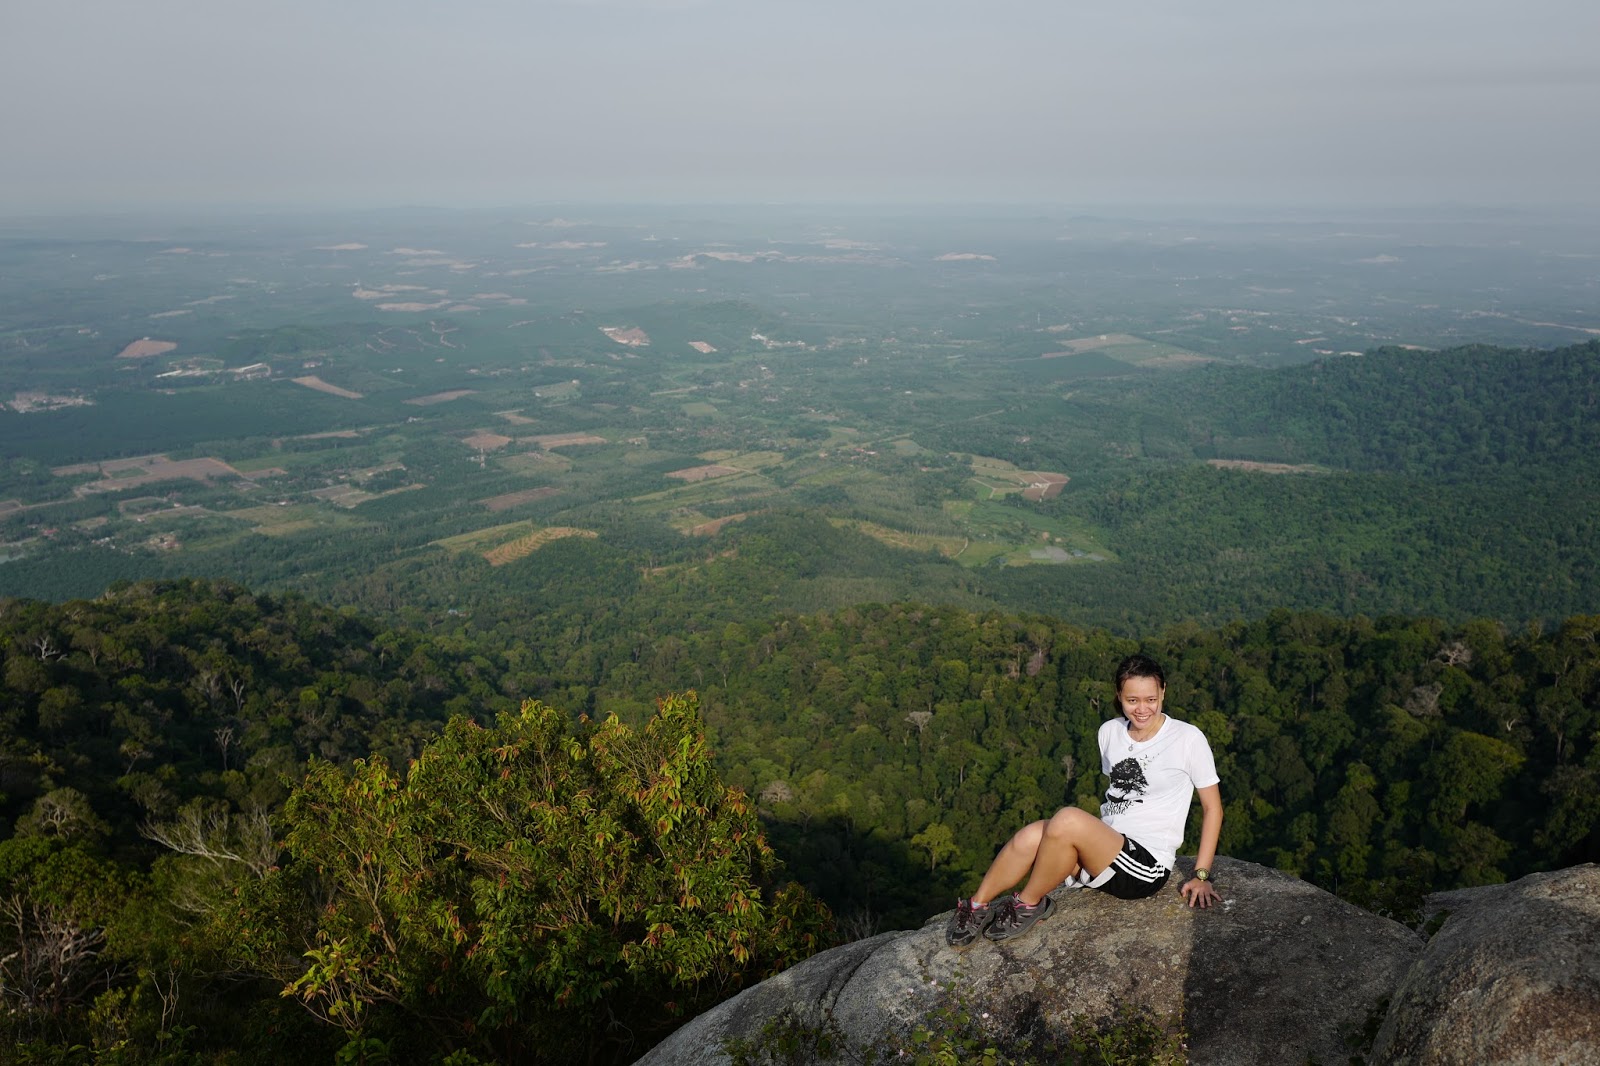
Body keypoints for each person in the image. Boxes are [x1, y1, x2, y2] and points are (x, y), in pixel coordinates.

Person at [945, 653, 1223, 946]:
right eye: (1132, 700)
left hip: (1144, 865)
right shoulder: (1109, 732)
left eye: (1151, 699)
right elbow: (1119, 795)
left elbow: (1213, 808)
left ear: (1163, 691)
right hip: (1105, 851)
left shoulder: (1187, 739)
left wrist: (1201, 874)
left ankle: (1028, 904)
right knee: (1032, 834)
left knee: (1066, 819)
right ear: (1119, 695)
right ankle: (976, 906)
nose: (1142, 709)